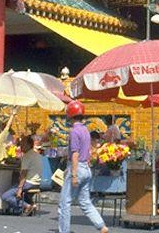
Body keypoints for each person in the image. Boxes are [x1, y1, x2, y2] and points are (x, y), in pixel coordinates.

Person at [58, 100, 108, 233]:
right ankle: (101, 226)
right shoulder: (86, 130)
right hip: (86, 169)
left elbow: (75, 153)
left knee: (65, 203)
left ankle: (64, 231)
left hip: (77, 167)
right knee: (85, 201)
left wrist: (73, 174)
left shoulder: (74, 131)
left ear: (70, 115)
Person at [1, 135, 43, 214]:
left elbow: (23, 174)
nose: (20, 146)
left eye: (22, 144)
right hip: (37, 182)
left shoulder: (27, 156)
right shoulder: (36, 155)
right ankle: (29, 205)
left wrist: (20, 189)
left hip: (29, 182)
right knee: (15, 184)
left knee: (5, 196)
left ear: (28, 145)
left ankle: (26, 206)